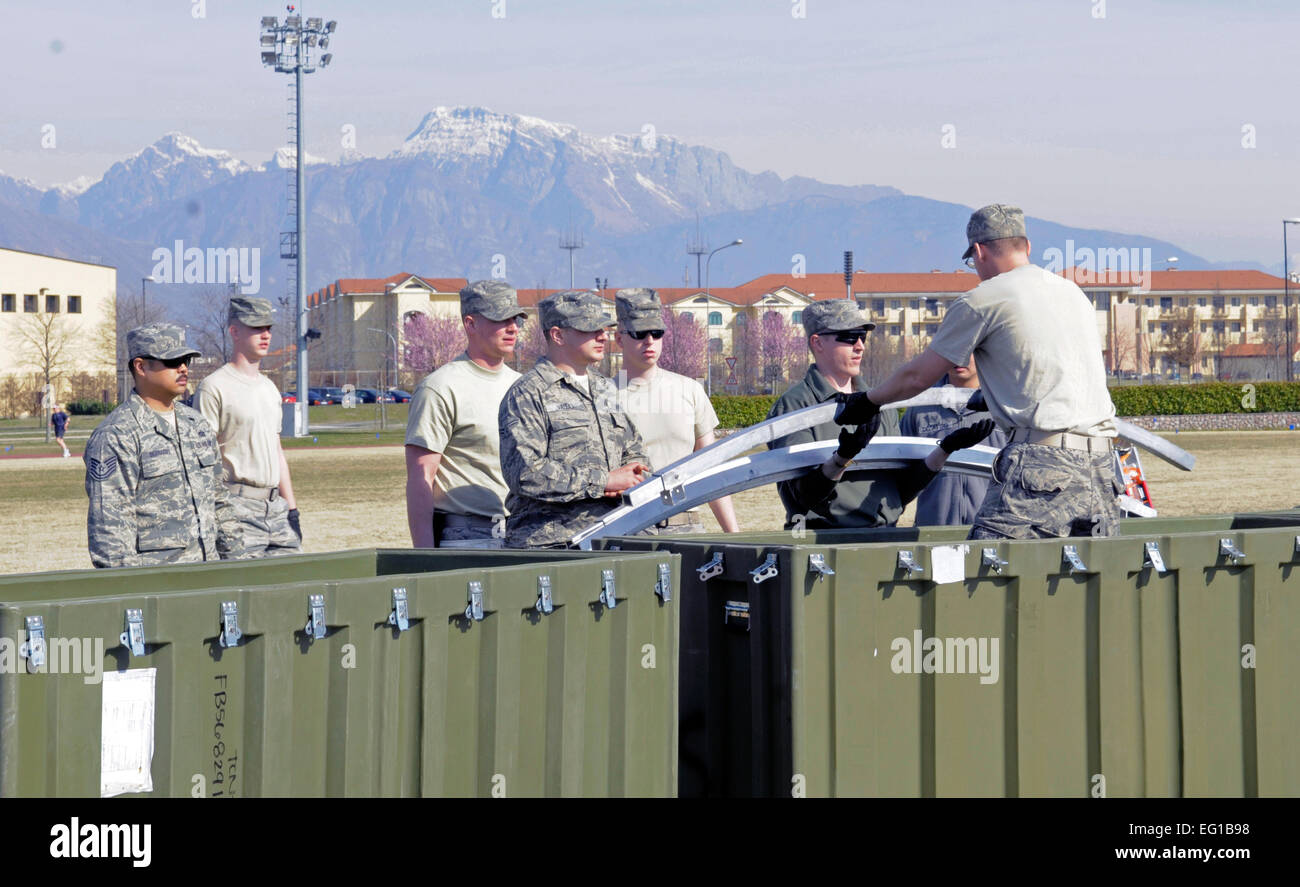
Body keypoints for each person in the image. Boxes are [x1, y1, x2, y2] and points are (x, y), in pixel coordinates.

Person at [834, 204, 1121, 539]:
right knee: (1079, 580)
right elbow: (1059, 371)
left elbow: (918, 377)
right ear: (1026, 247)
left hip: (1042, 466)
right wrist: (998, 394)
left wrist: (869, 400)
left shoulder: (985, 298)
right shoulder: (1073, 294)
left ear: (980, 252)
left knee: (987, 574)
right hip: (1103, 467)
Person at [767, 299, 994, 531]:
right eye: (848, 337)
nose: (859, 346)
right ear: (817, 343)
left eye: (862, 337)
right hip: (823, 541)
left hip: (883, 538)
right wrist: (842, 458)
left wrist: (944, 450)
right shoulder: (796, 407)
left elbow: (899, 492)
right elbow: (802, 495)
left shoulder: (881, 403)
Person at [84, 323, 244, 568]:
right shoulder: (117, 435)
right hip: (157, 583)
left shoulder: (197, 425)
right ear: (141, 366)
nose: (182, 368)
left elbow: (219, 502)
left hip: (209, 575)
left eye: (186, 361)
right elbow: (110, 530)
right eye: (172, 361)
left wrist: (237, 566)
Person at [498, 290, 650, 548]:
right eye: (589, 329)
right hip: (553, 544)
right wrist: (604, 481)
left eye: (603, 328)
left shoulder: (603, 387)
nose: (602, 336)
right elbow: (526, 473)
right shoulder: (528, 393)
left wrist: (634, 474)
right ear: (558, 335)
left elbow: (633, 447)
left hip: (616, 534)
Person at [405, 280, 527, 548]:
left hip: (523, 532)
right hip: (468, 537)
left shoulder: (524, 386)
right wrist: (424, 557)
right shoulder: (440, 387)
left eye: (516, 318)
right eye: (500, 319)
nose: (513, 328)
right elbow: (420, 475)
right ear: (470, 324)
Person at [613, 288, 740, 534]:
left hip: (686, 523)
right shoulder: (603, 398)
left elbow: (710, 468)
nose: (649, 341)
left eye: (656, 333)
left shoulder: (690, 390)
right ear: (619, 339)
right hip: (629, 525)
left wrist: (734, 534)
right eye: (639, 333)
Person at [193, 296, 302, 557]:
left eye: (268, 328)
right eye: (256, 328)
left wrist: (293, 509)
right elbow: (201, 460)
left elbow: (277, 452)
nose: (265, 335)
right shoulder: (214, 387)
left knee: (291, 589)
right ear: (234, 331)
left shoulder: (269, 388)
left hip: (275, 508)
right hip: (237, 507)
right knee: (243, 591)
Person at [899, 356, 1008, 526]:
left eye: (968, 351)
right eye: (954, 350)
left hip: (991, 531)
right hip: (934, 530)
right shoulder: (921, 406)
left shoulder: (1005, 405)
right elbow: (900, 476)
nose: (959, 358)